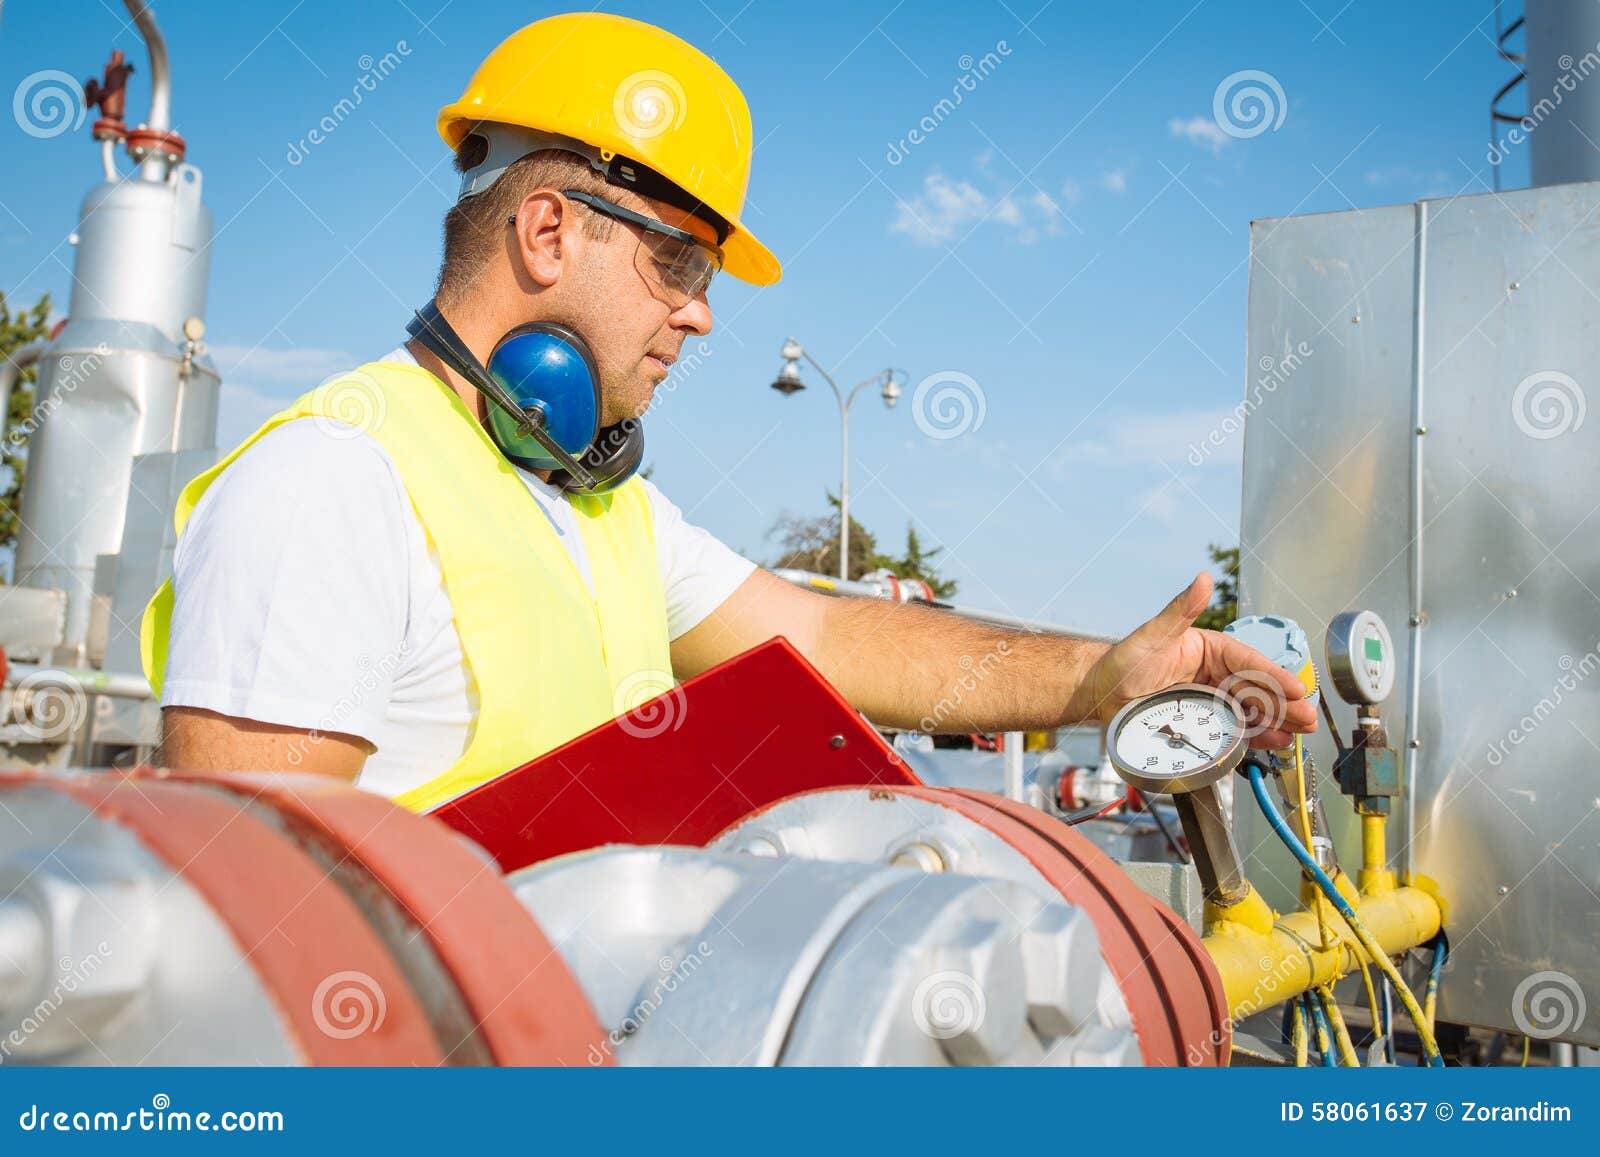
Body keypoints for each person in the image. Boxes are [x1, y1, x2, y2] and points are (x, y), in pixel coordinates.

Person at [146, 12, 1314, 810]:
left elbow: (833, 635)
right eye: (680, 268)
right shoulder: (331, 483)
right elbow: (261, 923)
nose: (700, 318)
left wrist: (1098, 676)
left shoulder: (597, 507)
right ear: (548, 231)